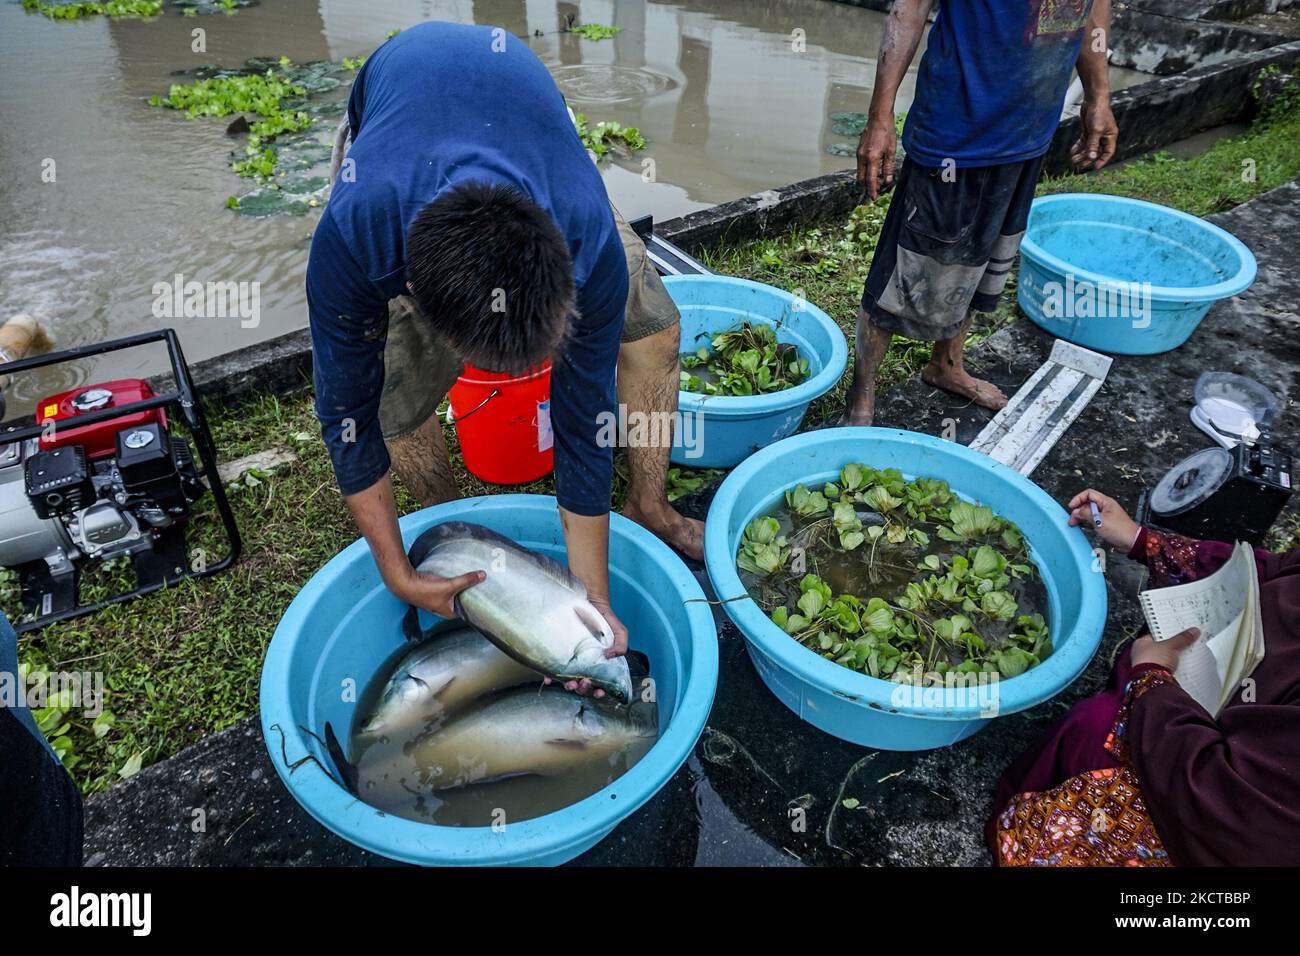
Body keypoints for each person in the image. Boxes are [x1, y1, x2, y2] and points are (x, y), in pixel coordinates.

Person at [307, 23, 703, 683]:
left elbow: (583, 418)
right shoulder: (355, 239)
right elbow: (345, 417)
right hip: (396, 119)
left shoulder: (584, 236)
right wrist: (398, 573)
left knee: (654, 331)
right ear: (409, 290)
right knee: (394, 404)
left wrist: (591, 597)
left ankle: (650, 506)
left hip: (530, 133)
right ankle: (449, 532)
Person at [989, 489, 1300, 866]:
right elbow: (1258, 573)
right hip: (1195, 691)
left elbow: (1232, 807)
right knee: (1096, 719)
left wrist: (1152, 678)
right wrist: (1142, 540)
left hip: (1205, 805)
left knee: (1095, 738)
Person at [843, 0, 1119, 425]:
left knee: (985, 256)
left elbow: (1091, 7)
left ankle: (946, 365)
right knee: (902, 271)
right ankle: (861, 396)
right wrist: (881, 116)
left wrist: (1098, 95)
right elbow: (909, 10)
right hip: (956, 129)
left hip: (1030, 128)